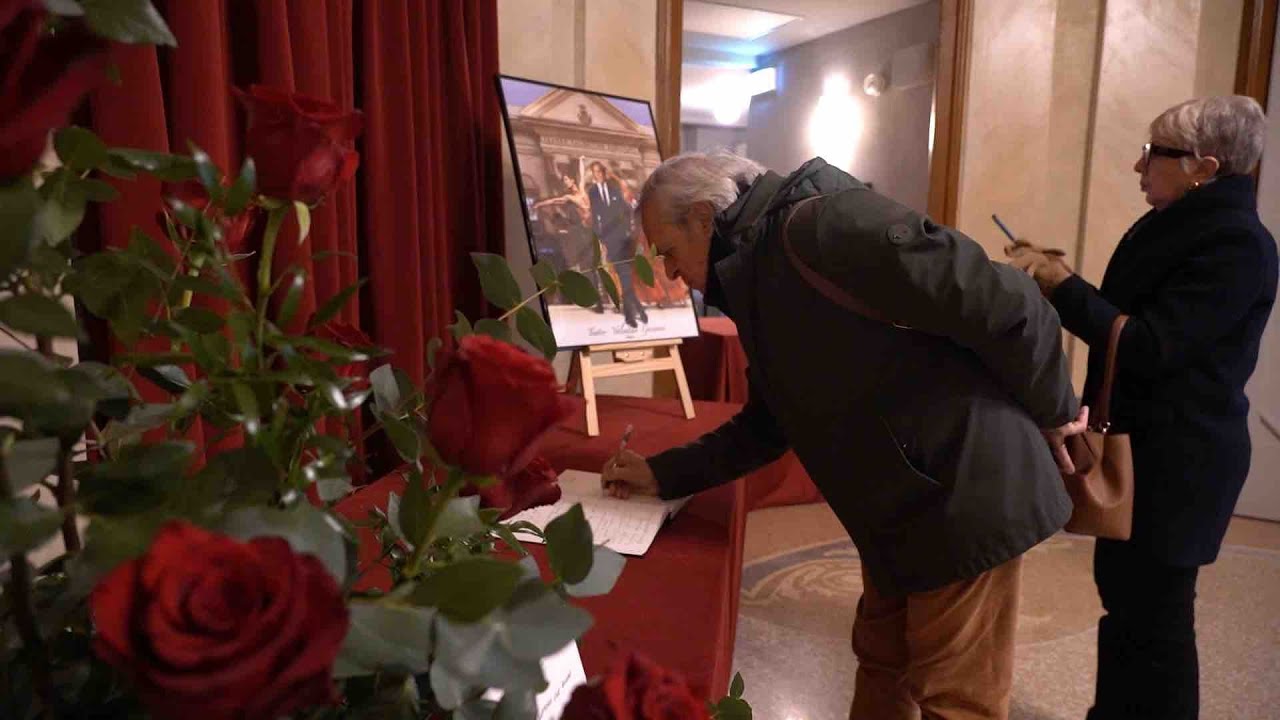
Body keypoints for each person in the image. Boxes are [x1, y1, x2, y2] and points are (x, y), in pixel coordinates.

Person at [602, 151, 1089, 720]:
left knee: (957, 698)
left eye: (667, 251)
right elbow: (769, 422)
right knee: (883, 664)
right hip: (902, 501)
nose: (669, 272)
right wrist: (664, 473)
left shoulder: (825, 227)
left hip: (959, 492)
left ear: (705, 217)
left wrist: (1055, 412)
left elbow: (1013, 303)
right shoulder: (757, 271)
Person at [1007, 95, 1277, 720]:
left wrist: (1061, 288)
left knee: (1157, 619)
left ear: (1204, 167)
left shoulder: (1237, 242)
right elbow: (1135, 322)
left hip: (1181, 461)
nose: (1139, 165)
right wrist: (1062, 281)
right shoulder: (1184, 223)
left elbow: (1152, 345)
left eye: (1155, 153)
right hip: (1146, 446)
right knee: (1125, 602)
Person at [534, 173, 609, 311]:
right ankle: (597, 300)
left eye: (567, 179)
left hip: (594, 229)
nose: (566, 182)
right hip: (584, 233)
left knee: (599, 264)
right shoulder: (570, 198)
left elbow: (581, 173)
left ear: (572, 180)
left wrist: (581, 160)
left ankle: (604, 297)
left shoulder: (581, 189)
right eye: (564, 181)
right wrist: (540, 204)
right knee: (589, 266)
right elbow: (555, 201)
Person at [588, 160, 646, 326]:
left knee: (625, 274)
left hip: (623, 237)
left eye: (600, 172)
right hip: (608, 238)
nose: (598, 175)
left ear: (604, 173)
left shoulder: (614, 190)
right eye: (595, 172)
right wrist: (599, 236)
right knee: (623, 274)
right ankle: (634, 312)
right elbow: (595, 214)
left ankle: (634, 312)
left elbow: (626, 209)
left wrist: (628, 229)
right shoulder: (592, 192)